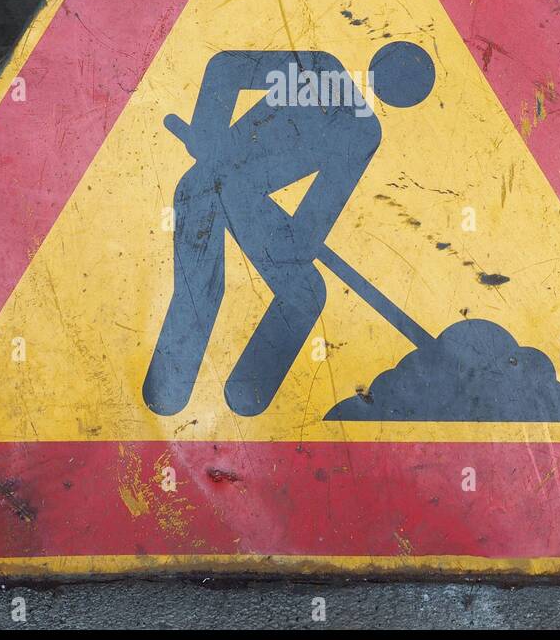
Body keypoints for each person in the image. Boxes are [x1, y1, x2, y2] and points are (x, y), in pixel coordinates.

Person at [143, 41, 435, 416]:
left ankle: (247, 396)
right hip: (203, 187)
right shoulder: (319, 68)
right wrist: (209, 131)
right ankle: (168, 394)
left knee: (305, 292)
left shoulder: (364, 133)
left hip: (252, 207)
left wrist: (287, 244)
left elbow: (313, 221)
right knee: (203, 289)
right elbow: (225, 68)